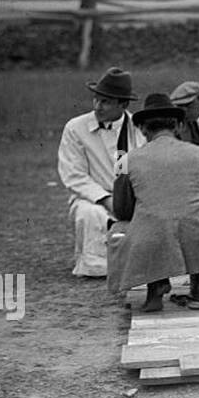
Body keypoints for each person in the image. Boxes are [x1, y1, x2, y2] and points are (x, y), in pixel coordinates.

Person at [107, 94, 199, 312]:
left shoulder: (125, 161)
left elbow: (121, 210)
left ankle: (155, 285)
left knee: (134, 226)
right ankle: (198, 281)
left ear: (143, 130)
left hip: (152, 239)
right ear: (179, 126)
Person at [56, 67, 145, 277]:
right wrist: (106, 199)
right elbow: (73, 174)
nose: (98, 106)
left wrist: (131, 199)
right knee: (90, 214)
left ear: (123, 104)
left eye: (105, 102)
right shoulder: (75, 128)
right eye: (96, 100)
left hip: (133, 196)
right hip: (93, 198)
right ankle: (96, 267)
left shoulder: (139, 128)